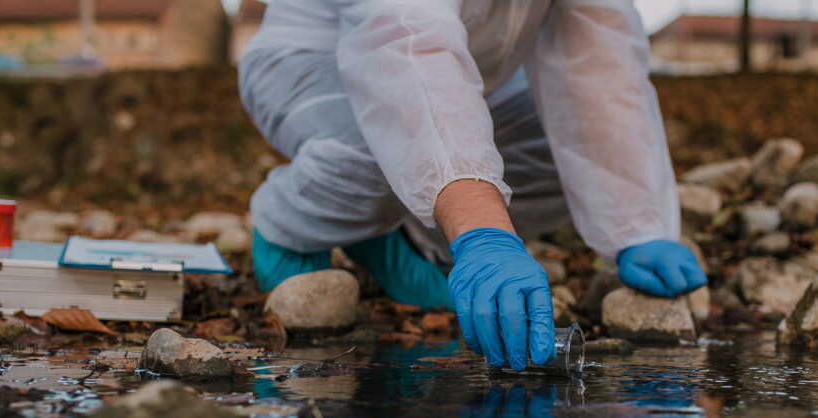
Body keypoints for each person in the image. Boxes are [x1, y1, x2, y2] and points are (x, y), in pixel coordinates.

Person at [239, 0, 707, 371]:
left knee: (562, 149)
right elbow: (406, 44)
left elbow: (597, 63)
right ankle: (288, 226)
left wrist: (636, 225)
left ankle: (403, 235)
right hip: (315, 61)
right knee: (382, 150)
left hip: (476, 75)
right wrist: (483, 231)